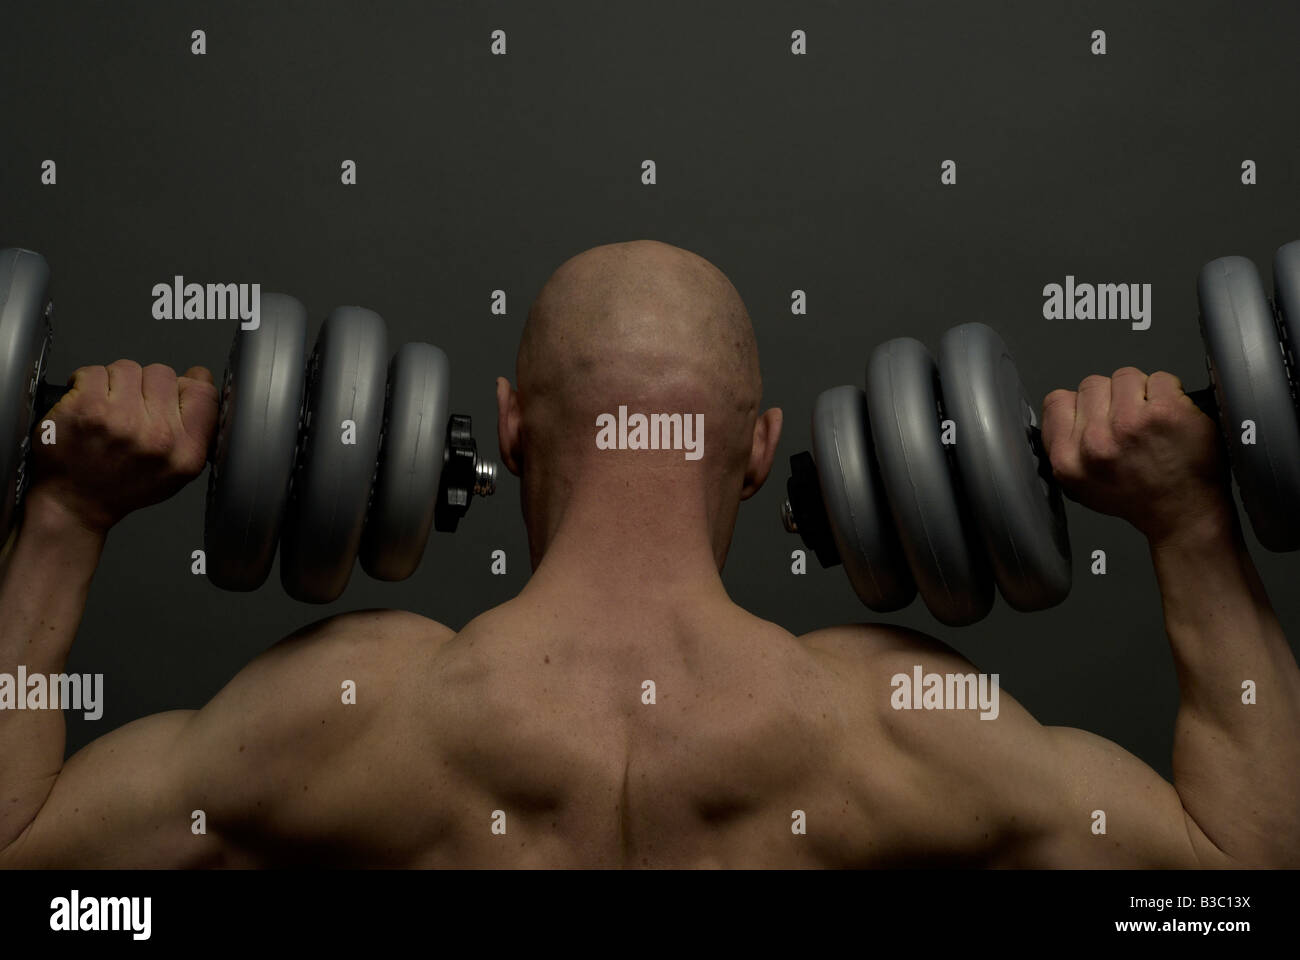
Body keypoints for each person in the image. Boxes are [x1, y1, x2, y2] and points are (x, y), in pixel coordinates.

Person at [1, 239, 1296, 868]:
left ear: (509, 429)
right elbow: (1244, 869)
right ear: (763, 447)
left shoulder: (360, 711)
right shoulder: (888, 724)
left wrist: (66, 515)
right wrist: (1187, 522)